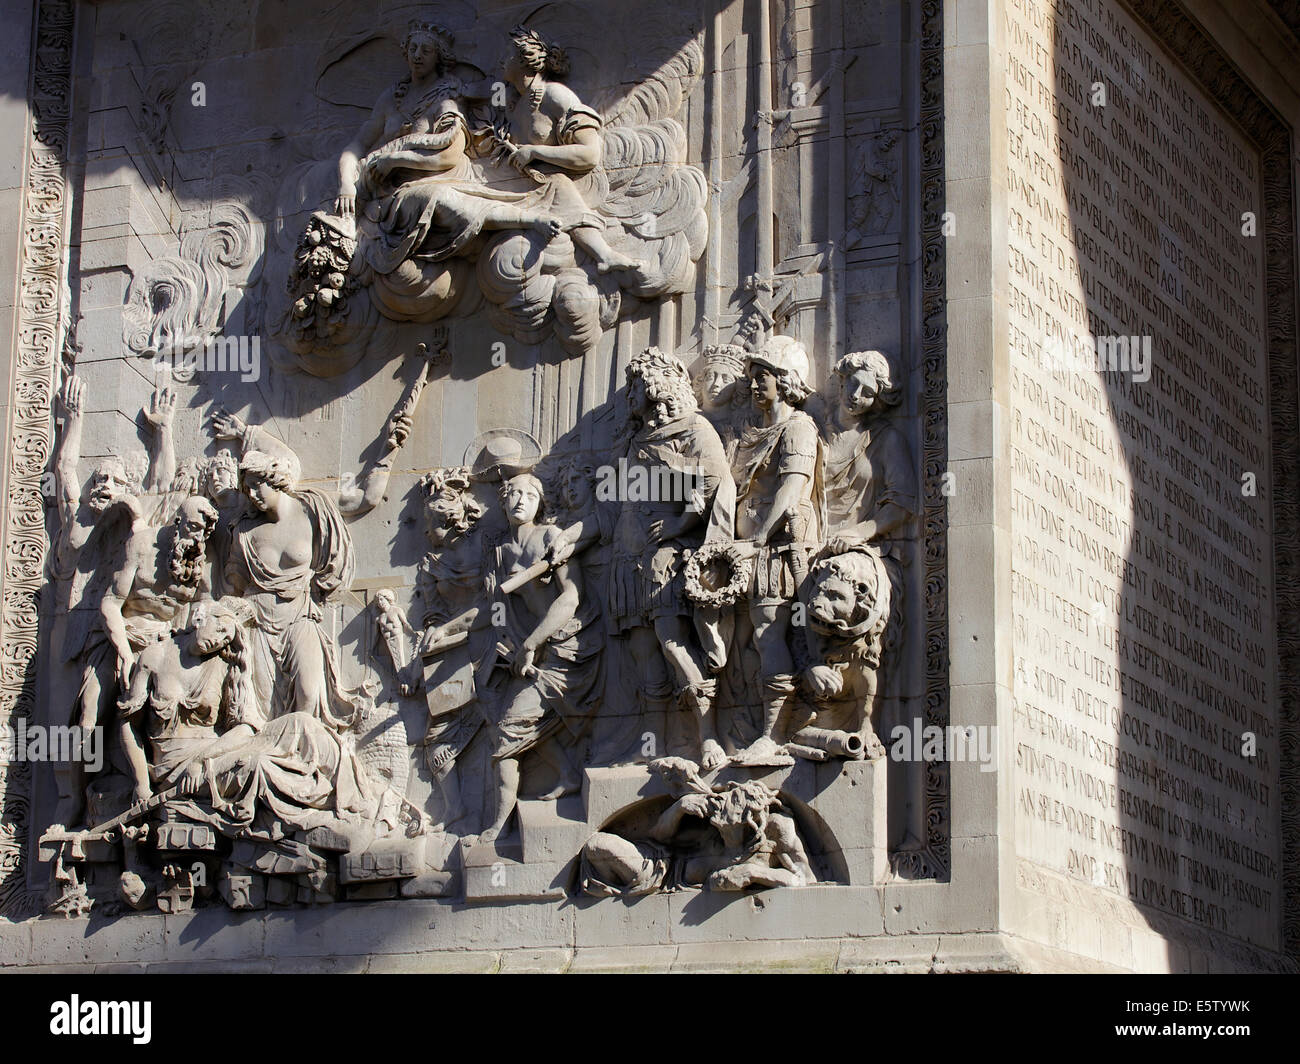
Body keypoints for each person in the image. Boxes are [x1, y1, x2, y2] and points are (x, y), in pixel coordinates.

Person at [427, 474, 600, 843]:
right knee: (515, 723)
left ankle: (496, 828)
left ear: (541, 503)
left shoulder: (551, 537)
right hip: (525, 654)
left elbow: (570, 598)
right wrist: (448, 627)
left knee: (505, 740)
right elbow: (493, 609)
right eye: (514, 494)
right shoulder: (501, 552)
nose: (521, 500)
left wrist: (533, 643)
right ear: (503, 503)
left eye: (530, 494)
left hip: (564, 650)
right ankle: (568, 777)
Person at [333, 20, 562, 280]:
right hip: (388, 192)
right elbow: (357, 146)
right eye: (413, 48)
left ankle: (527, 220)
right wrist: (345, 185)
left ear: (439, 57)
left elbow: (452, 150)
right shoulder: (389, 98)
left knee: (436, 197)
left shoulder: (450, 94)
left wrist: (396, 159)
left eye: (426, 50)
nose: (417, 55)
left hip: (439, 174)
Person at [599, 348, 735, 769]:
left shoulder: (694, 427)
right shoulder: (634, 438)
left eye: (635, 385)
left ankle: (708, 737)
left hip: (664, 557)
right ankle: (652, 745)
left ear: (657, 385)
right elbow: (614, 494)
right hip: (628, 556)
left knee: (673, 643)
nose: (629, 395)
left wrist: (679, 524)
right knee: (644, 654)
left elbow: (712, 477)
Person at [210, 409, 364, 730]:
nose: (252, 495)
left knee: (309, 693)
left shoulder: (312, 509)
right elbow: (232, 585)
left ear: (274, 480)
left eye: (257, 486)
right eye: (247, 489)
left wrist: (244, 432)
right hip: (257, 621)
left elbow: (359, 504)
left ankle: (303, 761)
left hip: (298, 616)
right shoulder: (244, 531)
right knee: (263, 711)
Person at [729, 335, 826, 765]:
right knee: (760, 636)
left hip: (782, 546)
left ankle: (771, 734)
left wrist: (759, 536)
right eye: (752, 377)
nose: (753, 385)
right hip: (755, 548)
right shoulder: (753, 431)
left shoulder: (798, 427)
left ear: (785, 381)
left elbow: (792, 487)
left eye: (761, 376)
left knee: (771, 630)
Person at [494, 26, 641, 273]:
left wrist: (535, 152)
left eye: (507, 55)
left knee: (558, 183)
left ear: (524, 60)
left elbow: (589, 154)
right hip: (520, 189)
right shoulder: (514, 103)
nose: (500, 60)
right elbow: (486, 95)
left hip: (550, 187)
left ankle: (603, 254)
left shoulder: (555, 95)